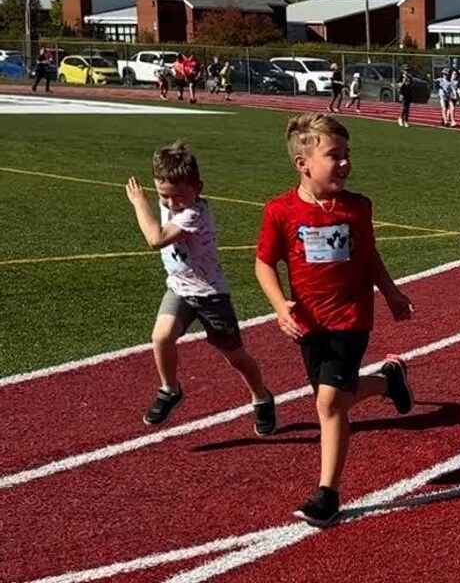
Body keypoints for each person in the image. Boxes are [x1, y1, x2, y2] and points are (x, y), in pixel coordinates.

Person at [254, 112, 416, 527]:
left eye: (347, 154)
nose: (344, 163)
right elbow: (264, 263)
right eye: (333, 155)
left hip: (351, 318)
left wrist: (391, 292)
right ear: (303, 163)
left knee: (328, 403)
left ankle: (327, 494)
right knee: (336, 400)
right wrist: (280, 306)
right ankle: (388, 381)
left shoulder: (357, 207)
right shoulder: (280, 211)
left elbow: (369, 256)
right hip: (308, 324)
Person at [124, 142, 276, 433]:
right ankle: (170, 389)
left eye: (179, 196)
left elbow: (156, 239)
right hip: (179, 289)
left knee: (235, 356)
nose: (171, 203)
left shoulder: (194, 213)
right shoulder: (171, 200)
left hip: (210, 295)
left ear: (198, 189)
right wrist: (159, 198)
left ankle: (261, 396)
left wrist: (139, 202)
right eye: (164, 196)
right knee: (161, 336)